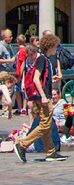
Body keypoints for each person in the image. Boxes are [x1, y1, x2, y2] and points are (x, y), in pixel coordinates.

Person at [13, 34, 66, 163]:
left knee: (46, 125)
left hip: (38, 95)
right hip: (42, 96)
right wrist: (43, 96)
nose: (56, 48)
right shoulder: (42, 58)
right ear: (50, 46)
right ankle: (22, 144)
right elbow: (36, 78)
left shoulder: (43, 58)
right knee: (44, 125)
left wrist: (51, 80)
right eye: (55, 46)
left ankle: (50, 152)